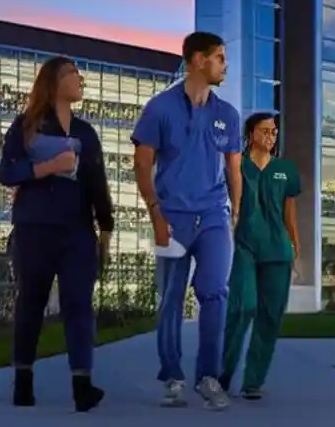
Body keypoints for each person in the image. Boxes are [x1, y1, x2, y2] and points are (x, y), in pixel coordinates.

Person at [132, 31, 243, 410]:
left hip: (214, 215)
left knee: (214, 292)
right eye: (220, 57)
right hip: (172, 216)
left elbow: (234, 169)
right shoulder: (159, 108)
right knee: (170, 300)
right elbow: (142, 163)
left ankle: (209, 377)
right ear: (198, 59)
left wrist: (235, 213)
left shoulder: (227, 115)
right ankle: (172, 376)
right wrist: (154, 212)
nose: (225, 64)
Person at [0, 56, 113, 412]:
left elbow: (97, 183)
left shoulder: (85, 133)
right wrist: (50, 166)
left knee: (79, 305)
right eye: (71, 73)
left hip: (77, 233)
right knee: (30, 303)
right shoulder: (27, 126)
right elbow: (7, 172)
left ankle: (83, 386)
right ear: (53, 83)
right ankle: (23, 382)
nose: (79, 78)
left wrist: (105, 229)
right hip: (34, 230)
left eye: (80, 72)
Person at [220, 112, 300, 399]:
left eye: (274, 132)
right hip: (246, 246)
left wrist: (296, 248)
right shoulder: (237, 164)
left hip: (278, 250)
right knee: (243, 306)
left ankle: (253, 381)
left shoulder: (286, 169)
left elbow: (290, 212)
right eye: (265, 131)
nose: (271, 136)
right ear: (251, 133)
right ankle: (224, 373)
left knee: (270, 316)